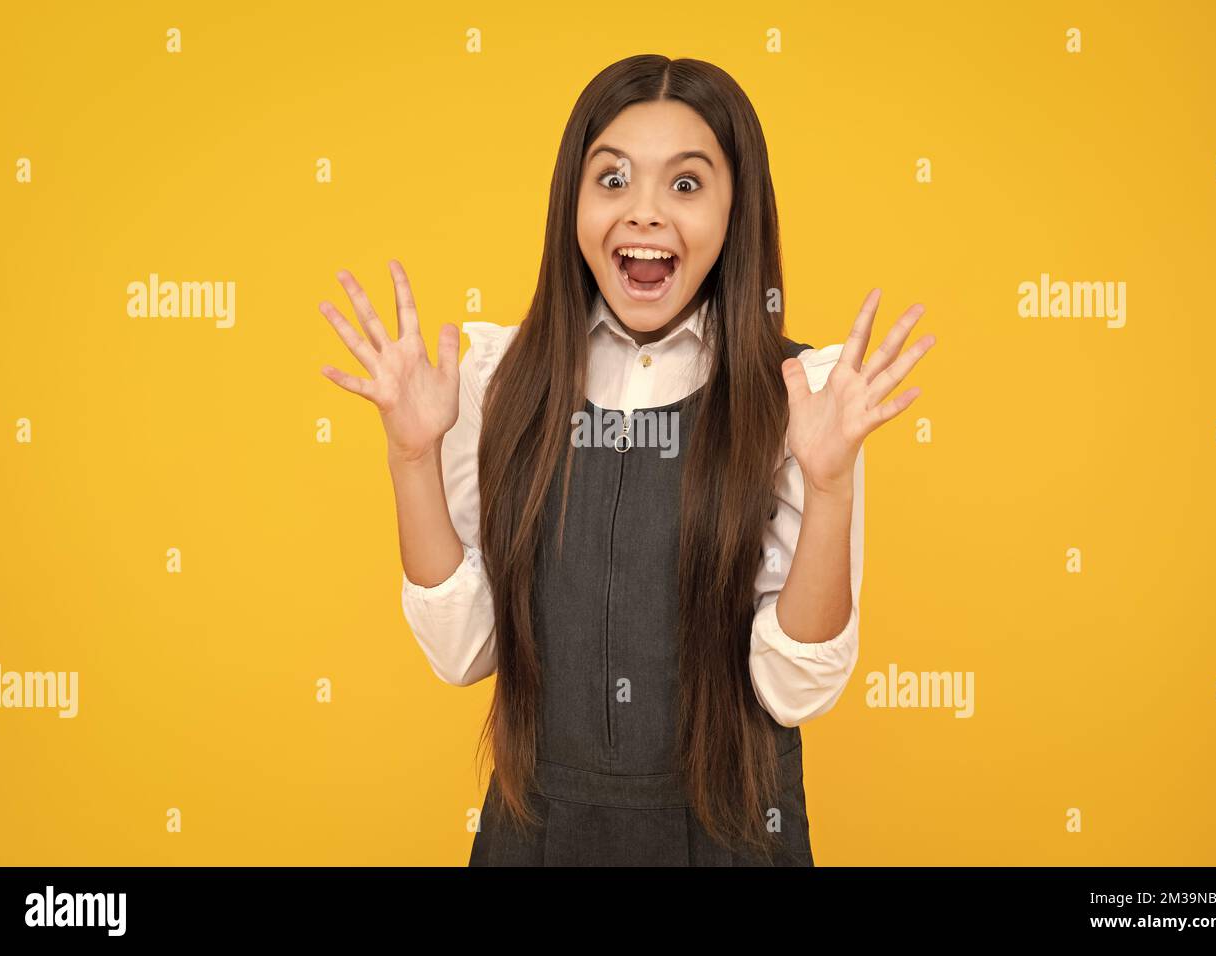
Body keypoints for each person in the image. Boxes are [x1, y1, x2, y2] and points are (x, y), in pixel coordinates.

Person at [317, 54, 935, 866]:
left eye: (686, 185)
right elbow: (463, 651)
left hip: (734, 838)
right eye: (612, 180)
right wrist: (410, 455)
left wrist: (829, 487)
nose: (645, 214)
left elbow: (794, 688)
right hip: (536, 838)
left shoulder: (802, 396)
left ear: (734, 209)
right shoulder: (496, 381)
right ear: (570, 203)